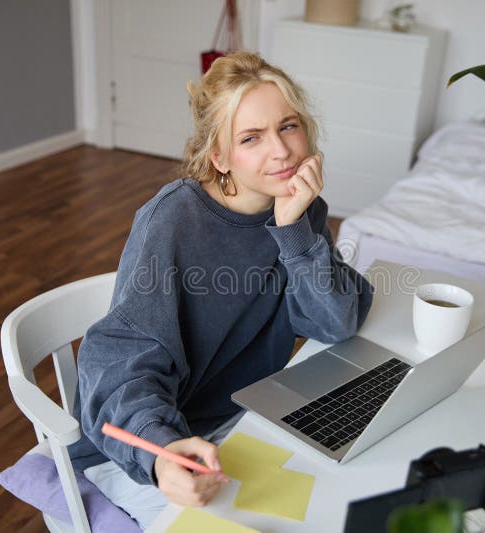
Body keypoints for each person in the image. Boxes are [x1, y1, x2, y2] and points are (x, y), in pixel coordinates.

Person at [70, 51, 374, 527]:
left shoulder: (298, 204)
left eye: (288, 126)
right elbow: (117, 360)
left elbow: (335, 324)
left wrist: (293, 230)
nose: (282, 151)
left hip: (249, 423)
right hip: (168, 446)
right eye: (251, 138)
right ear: (219, 156)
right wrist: (163, 450)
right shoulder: (172, 221)